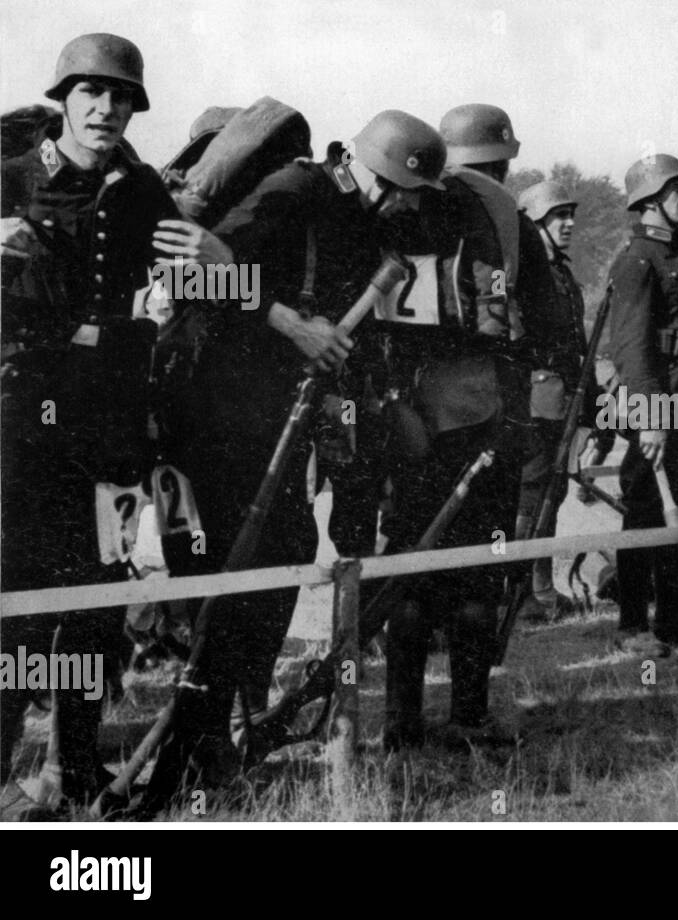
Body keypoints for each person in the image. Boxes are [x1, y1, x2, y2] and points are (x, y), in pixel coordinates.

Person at [146, 110, 442, 801]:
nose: (406, 206)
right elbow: (198, 274)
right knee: (228, 567)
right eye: (403, 190)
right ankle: (196, 751)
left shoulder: (365, 221)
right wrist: (289, 322)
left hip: (273, 410)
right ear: (374, 174)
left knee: (277, 557)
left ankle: (222, 737)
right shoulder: (294, 191)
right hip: (209, 400)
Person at [0, 33, 225, 817]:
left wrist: (216, 257)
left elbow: (211, 284)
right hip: (24, 424)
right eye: (91, 93)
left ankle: (77, 772)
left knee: (96, 604)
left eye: (121, 97)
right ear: (63, 99)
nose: (106, 108)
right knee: (19, 601)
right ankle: (4, 766)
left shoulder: (142, 195)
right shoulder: (8, 180)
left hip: (111, 428)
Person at [378, 103, 565, 747]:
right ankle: (468, 716)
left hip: (405, 418)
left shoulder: (399, 198)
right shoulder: (507, 216)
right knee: (478, 572)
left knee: (407, 568)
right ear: (505, 159)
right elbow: (544, 324)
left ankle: (399, 722)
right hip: (485, 419)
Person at [606, 154, 678, 658]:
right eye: (676, 190)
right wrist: (649, 416)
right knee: (644, 509)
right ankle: (632, 625)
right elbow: (630, 345)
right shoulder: (637, 260)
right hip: (658, 397)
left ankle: (673, 622)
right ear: (649, 202)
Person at [515, 179, 594, 622]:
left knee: (554, 494)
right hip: (533, 398)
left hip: (563, 396)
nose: (568, 224)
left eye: (569, 216)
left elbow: (580, 345)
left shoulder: (564, 275)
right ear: (535, 223)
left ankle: (541, 589)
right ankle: (521, 593)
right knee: (530, 499)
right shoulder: (526, 274)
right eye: (557, 216)